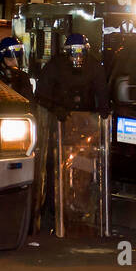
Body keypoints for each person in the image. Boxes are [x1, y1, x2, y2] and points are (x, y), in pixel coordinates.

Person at [35, 33, 110, 231]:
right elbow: (41, 94)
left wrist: (102, 111)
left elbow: (102, 91)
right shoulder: (55, 66)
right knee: (53, 164)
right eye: (73, 53)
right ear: (66, 53)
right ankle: (51, 207)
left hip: (84, 124)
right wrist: (55, 108)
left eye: (81, 53)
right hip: (57, 122)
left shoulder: (94, 67)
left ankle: (81, 206)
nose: (77, 57)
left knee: (83, 162)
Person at [0, 35, 35, 100]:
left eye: (17, 59)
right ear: (1, 60)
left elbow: (30, 103)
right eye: (10, 60)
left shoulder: (23, 77)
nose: (15, 63)